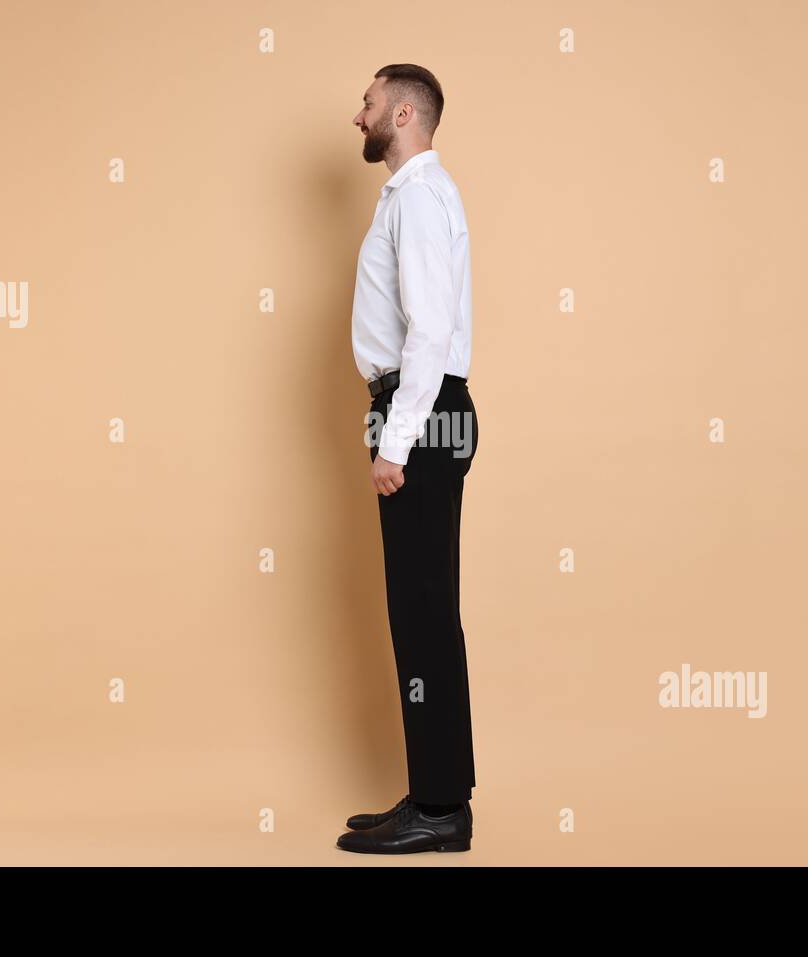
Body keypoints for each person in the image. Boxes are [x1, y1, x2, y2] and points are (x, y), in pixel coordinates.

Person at [336, 63, 478, 854]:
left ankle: (440, 807)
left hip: (418, 414)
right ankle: (435, 792)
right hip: (421, 411)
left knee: (421, 610)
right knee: (422, 610)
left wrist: (394, 441)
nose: (357, 117)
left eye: (366, 104)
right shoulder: (413, 197)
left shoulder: (419, 196)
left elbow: (427, 332)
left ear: (400, 112)